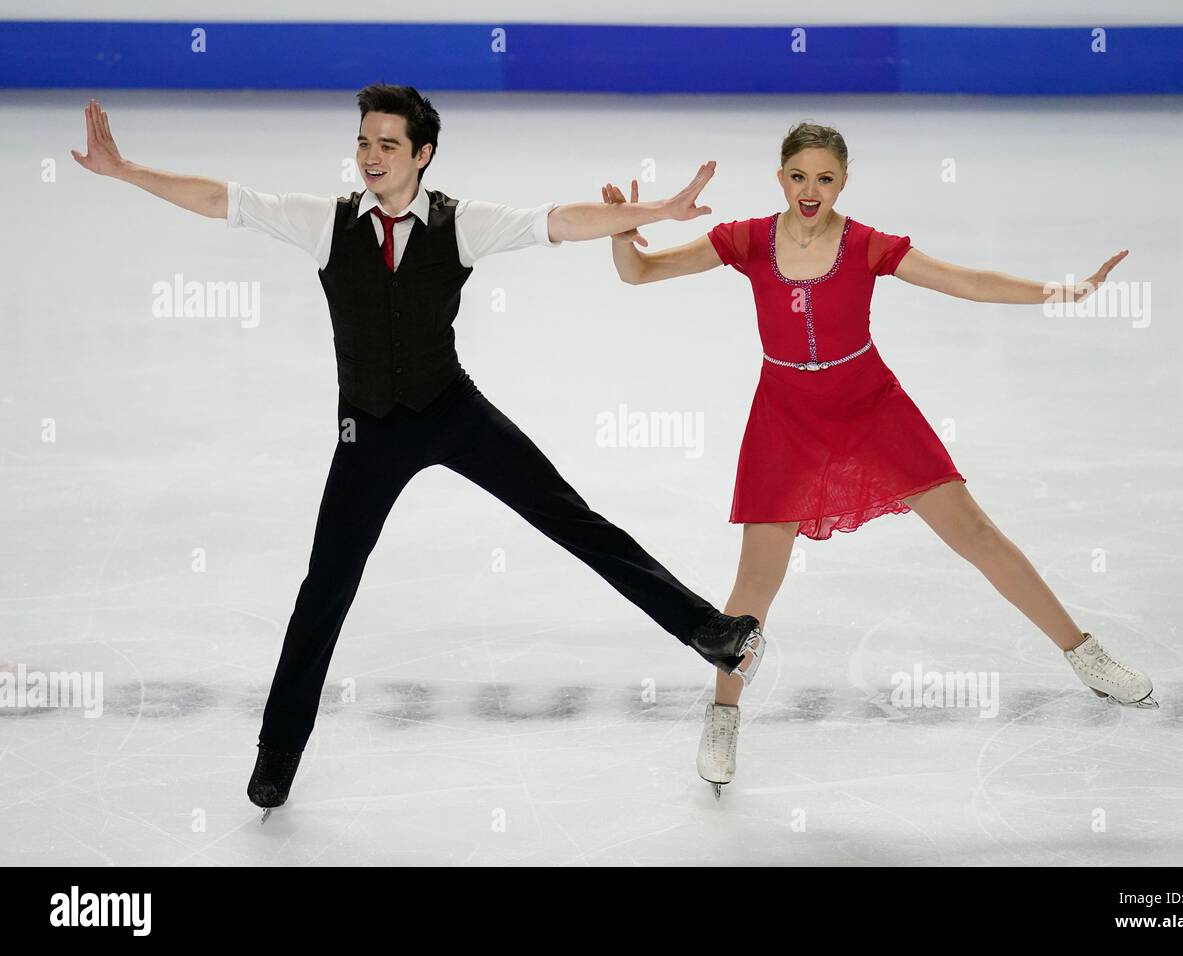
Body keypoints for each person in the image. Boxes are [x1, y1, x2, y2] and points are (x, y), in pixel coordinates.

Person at [72, 84, 765, 819]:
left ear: (422, 154)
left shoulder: (459, 224)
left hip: (449, 409)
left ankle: (708, 630)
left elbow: (557, 221)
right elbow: (224, 200)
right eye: (365, 142)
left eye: (388, 145)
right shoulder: (326, 222)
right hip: (366, 431)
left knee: (570, 518)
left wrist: (651, 212)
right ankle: (277, 755)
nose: (371, 156)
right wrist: (127, 171)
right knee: (326, 587)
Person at [601, 121, 1156, 799]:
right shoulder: (746, 240)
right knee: (754, 589)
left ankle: (1087, 655)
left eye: (825, 178)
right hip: (786, 415)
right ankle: (723, 714)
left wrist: (1057, 291)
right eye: (799, 177)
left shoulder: (865, 245)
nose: (811, 190)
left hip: (870, 405)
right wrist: (619, 233)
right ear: (780, 178)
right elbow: (639, 273)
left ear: (843, 181)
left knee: (976, 534)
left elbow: (965, 281)